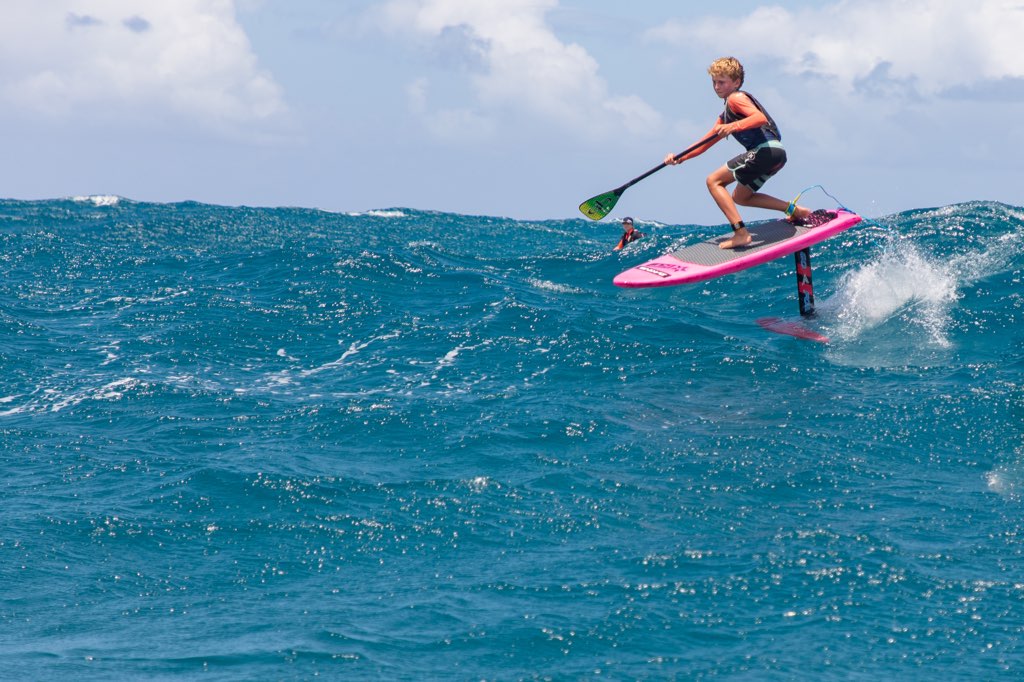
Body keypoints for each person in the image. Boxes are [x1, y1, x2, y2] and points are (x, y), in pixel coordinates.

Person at [664, 56, 813, 249]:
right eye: (714, 82)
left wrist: (734, 126)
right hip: (775, 155)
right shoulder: (725, 115)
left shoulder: (736, 98)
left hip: (765, 151)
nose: (717, 87)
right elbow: (705, 143)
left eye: (722, 82)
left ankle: (741, 234)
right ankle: (794, 211)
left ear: (736, 82)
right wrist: (679, 158)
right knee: (741, 197)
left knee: (713, 181)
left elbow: (758, 118)